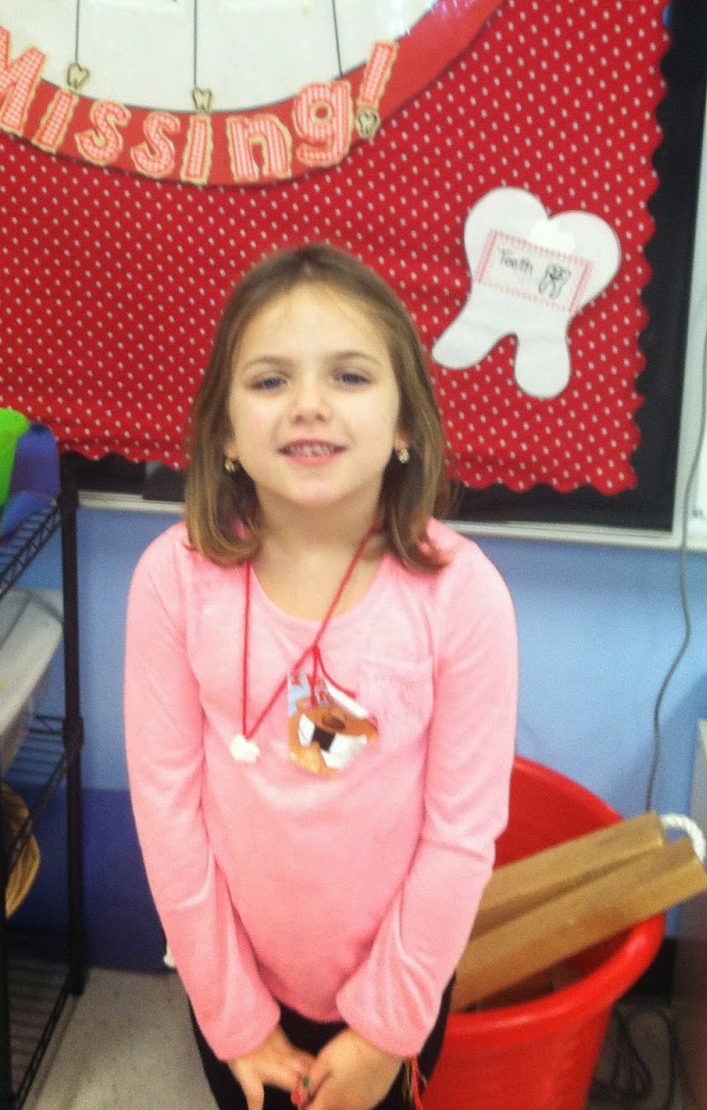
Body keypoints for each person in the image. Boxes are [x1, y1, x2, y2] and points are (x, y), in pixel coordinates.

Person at [124, 244, 518, 1110]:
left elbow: (460, 836)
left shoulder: (463, 596)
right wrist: (232, 1016)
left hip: (397, 989)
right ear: (223, 433)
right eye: (268, 382)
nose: (307, 405)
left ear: (405, 424)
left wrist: (386, 1028)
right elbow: (167, 815)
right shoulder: (171, 581)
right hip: (233, 982)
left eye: (348, 376)